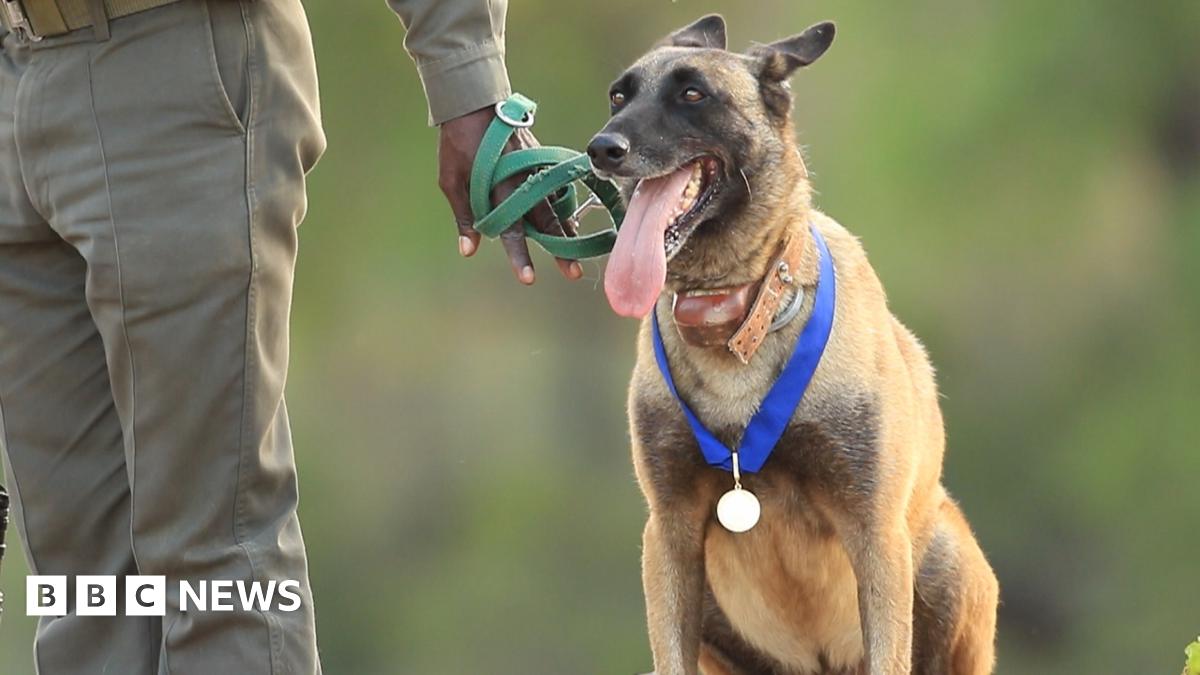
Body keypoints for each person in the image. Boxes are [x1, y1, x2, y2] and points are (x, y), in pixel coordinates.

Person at [0, 0, 554, 672]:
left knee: (215, 567)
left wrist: (468, 78)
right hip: (16, 69)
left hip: (175, 63)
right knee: (81, 584)